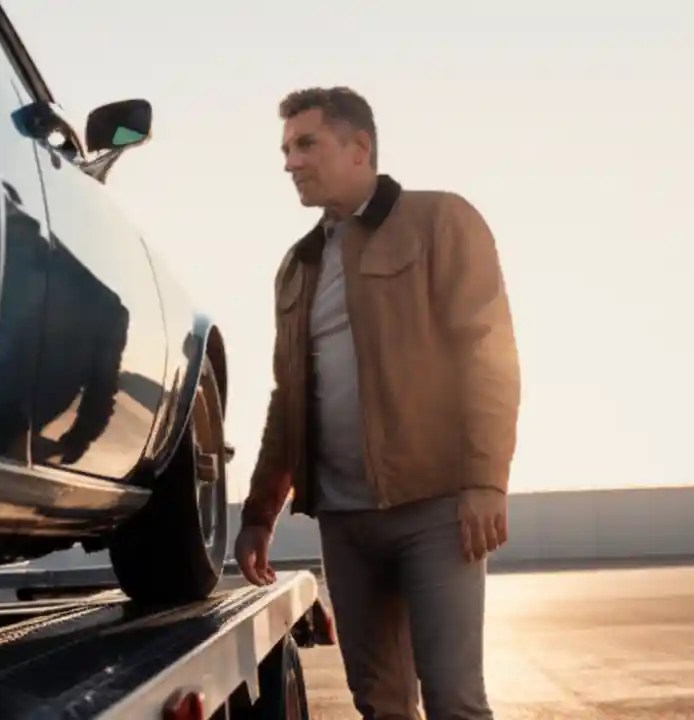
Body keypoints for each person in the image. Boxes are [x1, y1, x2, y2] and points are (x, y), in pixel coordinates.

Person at [235, 86, 521, 719]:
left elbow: (487, 349)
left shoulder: (440, 220)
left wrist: (484, 479)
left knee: (454, 701)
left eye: (306, 143)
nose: (290, 162)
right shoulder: (297, 266)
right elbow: (288, 399)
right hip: (344, 522)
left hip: (435, 512)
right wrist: (259, 510)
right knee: (381, 705)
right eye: (285, 149)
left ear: (359, 147)